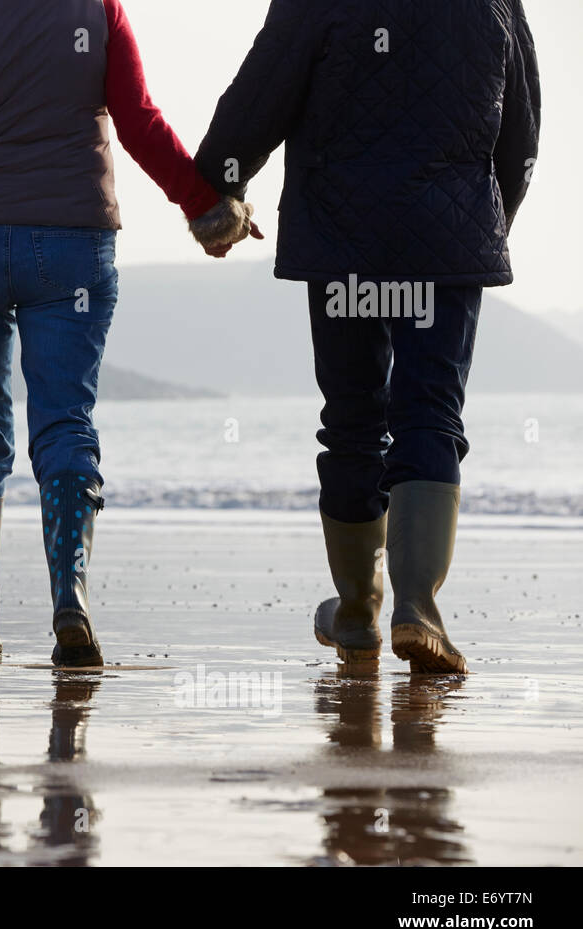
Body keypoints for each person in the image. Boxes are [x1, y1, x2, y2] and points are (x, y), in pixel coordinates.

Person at [0, 0, 255, 666]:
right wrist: (206, 208)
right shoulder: (97, 13)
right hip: (74, 246)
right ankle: (69, 597)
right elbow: (138, 121)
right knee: (65, 423)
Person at [194, 0, 540, 674]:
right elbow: (521, 133)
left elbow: (260, 96)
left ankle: (357, 613)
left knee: (352, 421)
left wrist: (216, 187)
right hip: (447, 241)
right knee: (431, 413)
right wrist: (481, 222)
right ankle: (418, 607)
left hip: (342, 238)